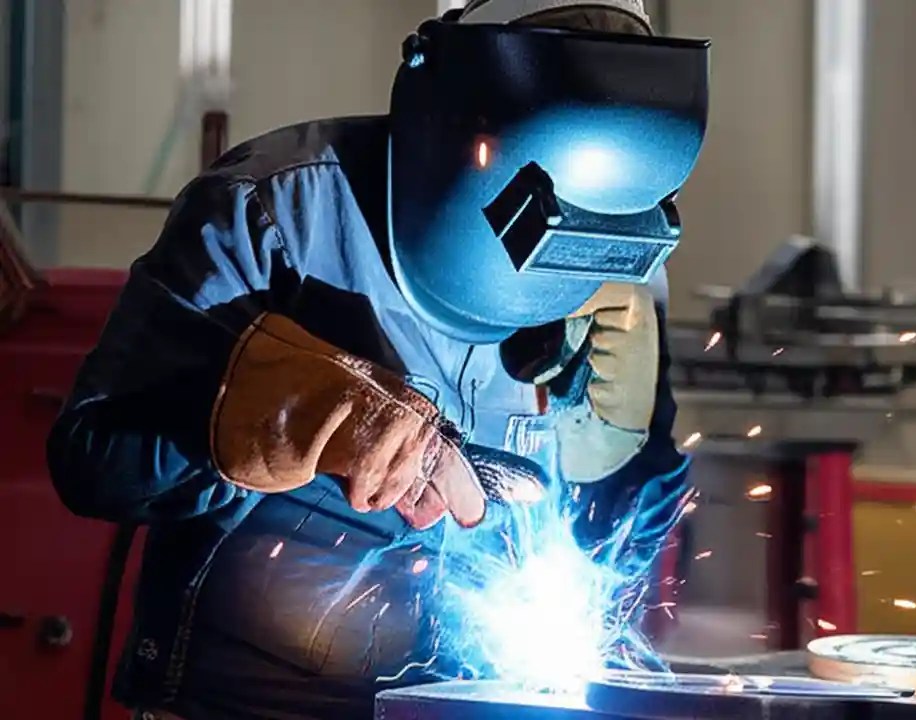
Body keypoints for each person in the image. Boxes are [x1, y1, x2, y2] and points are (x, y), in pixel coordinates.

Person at [45, 1, 709, 718]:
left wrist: (625, 447)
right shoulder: (280, 212)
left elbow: (619, 575)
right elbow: (94, 459)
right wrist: (289, 412)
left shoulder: (624, 247)